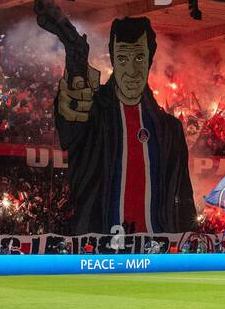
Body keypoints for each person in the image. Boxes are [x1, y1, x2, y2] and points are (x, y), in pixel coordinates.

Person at [54, 17, 196, 234]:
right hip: (101, 253)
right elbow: (71, 122)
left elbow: (184, 198)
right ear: (112, 59)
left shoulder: (170, 130)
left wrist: (189, 242)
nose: (131, 71)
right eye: (122, 59)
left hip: (158, 254)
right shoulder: (94, 115)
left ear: (150, 58)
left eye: (139, 57)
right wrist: (75, 61)